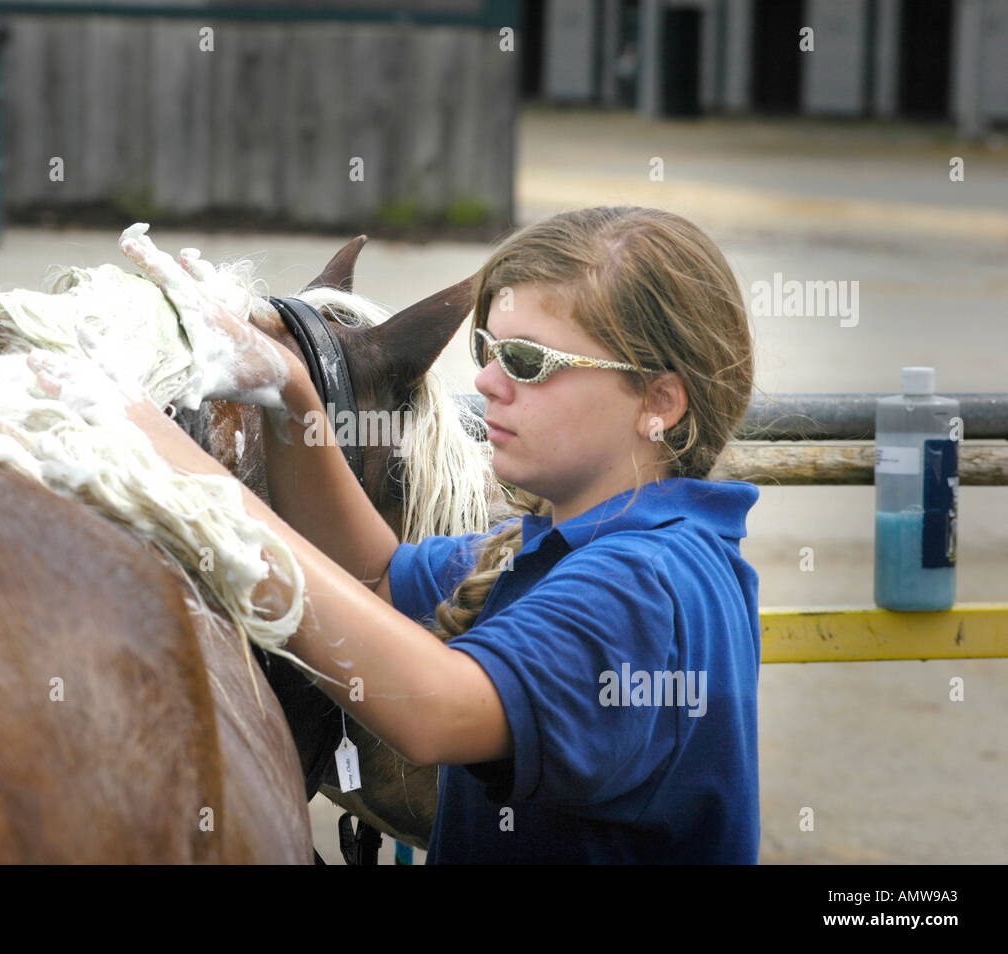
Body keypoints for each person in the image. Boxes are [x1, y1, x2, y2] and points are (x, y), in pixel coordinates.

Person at [117, 207, 761, 864]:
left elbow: (435, 714)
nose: (484, 382)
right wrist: (293, 394)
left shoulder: (643, 586)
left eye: (527, 360)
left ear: (658, 403)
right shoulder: (564, 548)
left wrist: (190, 475)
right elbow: (372, 574)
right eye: (488, 350)